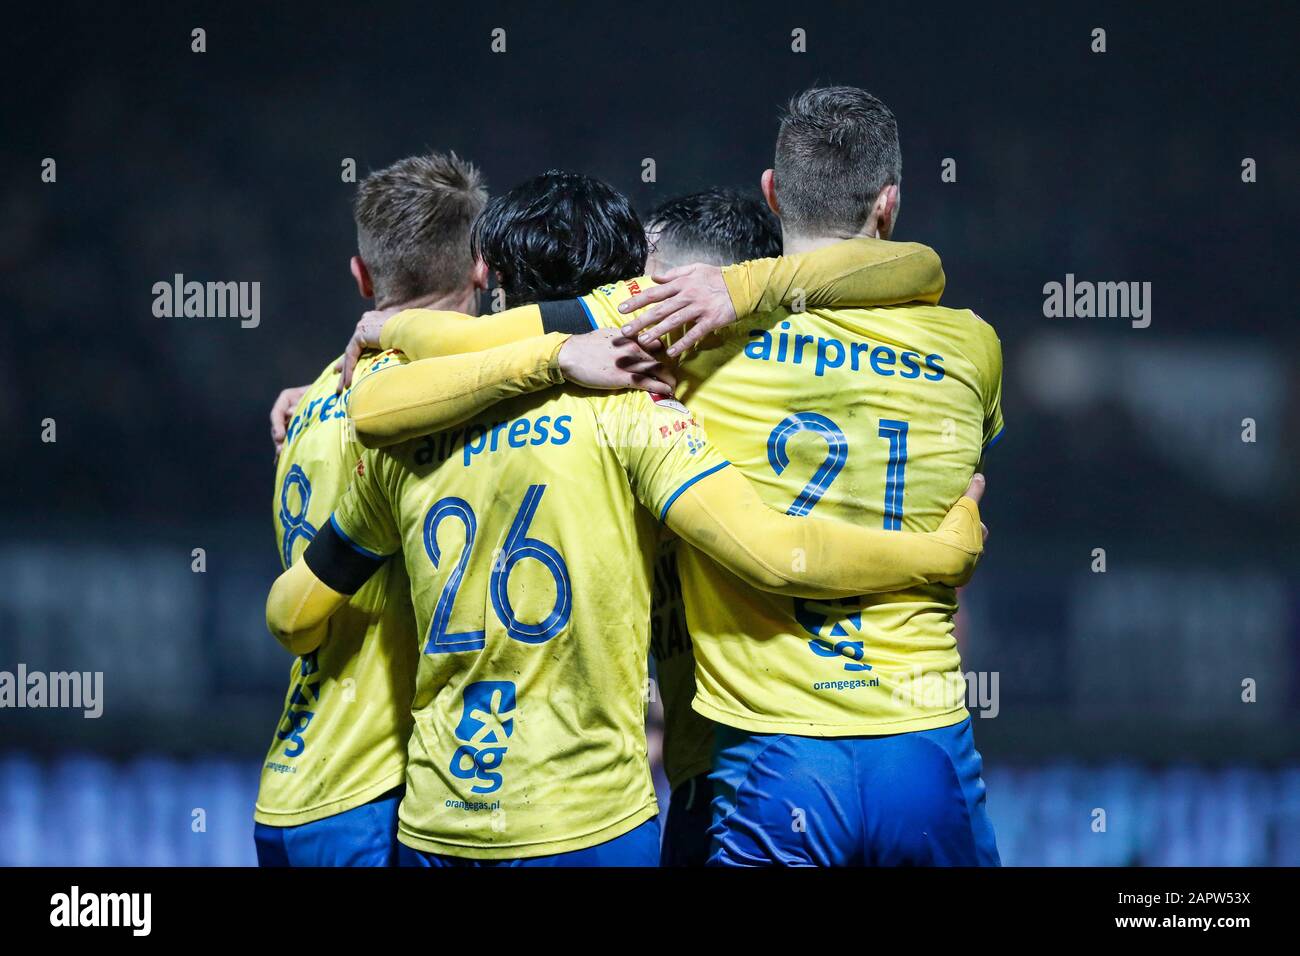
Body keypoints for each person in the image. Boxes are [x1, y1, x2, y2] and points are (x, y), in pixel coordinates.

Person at [265, 170, 988, 866]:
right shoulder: (650, 397)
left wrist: (350, 373)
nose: (641, 303)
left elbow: (302, 589)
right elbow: (911, 269)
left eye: (657, 286)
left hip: (655, 778)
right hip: (714, 780)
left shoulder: (660, 394)